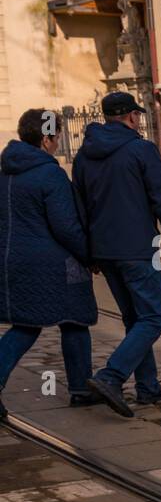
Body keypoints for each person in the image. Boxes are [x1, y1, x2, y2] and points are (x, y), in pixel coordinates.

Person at [73, 91, 161, 418]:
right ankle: (112, 376)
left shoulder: (83, 155)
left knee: (135, 318)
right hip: (137, 247)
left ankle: (147, 385)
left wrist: (88, 253)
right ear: (132, 117)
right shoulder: (141, 149)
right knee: (153, 317)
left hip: (104, 250)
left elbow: (79, 208)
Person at [0, 110, 98, 420]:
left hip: (12, 259)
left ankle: (81, 388)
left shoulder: (5, 171)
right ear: (46, 138)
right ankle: (81, 389)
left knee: (29, 324)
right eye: (57, 137)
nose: (58, 143)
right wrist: (89, 256)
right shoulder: (49, 173)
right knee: (73, 321)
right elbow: (66, 226)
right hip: (55, 263)